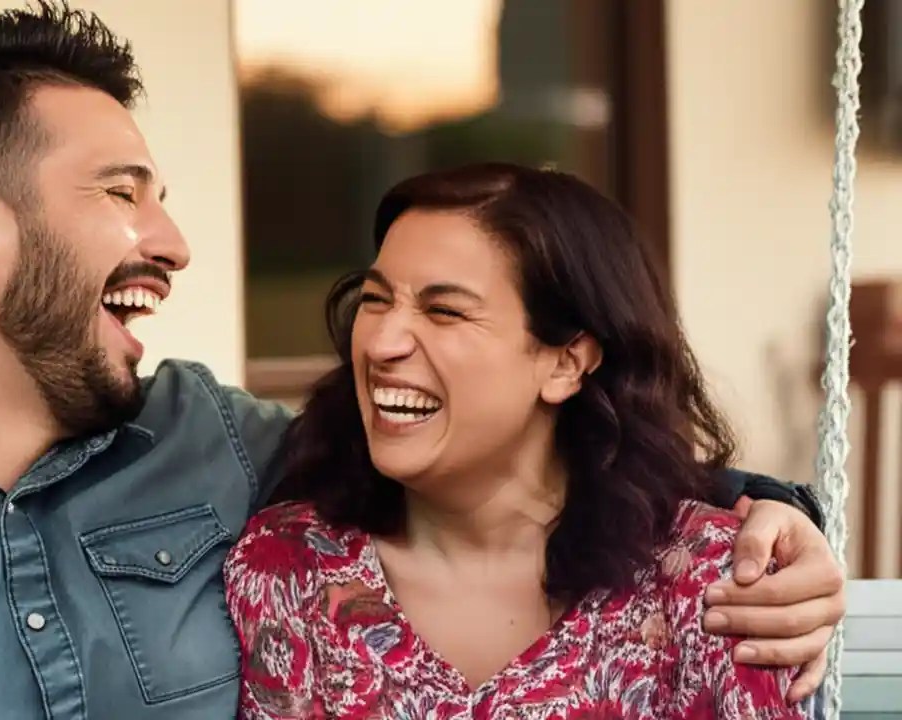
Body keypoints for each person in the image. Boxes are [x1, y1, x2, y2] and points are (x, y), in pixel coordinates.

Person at [0, 3, 841, 719]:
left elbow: (505, 465)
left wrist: (772, 524)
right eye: (122, 194)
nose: (173, 242)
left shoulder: (217, 448)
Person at [225, 163, 821, 718]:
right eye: (376, 300)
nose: (381, 344)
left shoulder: (711, 584)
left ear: (565, 363)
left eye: (445, 312)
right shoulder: (289, 568)